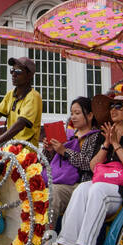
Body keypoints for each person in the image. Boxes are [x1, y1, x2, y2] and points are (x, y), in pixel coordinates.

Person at [58, 92, 123, 245]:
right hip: (103, 184)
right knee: (82, 189)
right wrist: (106, 143)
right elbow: (93, 166)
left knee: (97, 189)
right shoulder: (104, 134)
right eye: (111, 106)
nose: (113, 110)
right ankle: (67, 243)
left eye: (118, 106)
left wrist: (117, 144)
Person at [42, 97, 102, 227]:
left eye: (78, 113)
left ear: (90, 115)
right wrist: (50, 150)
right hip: (59, 179)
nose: (73, 117)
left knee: (54, 192)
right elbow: (49, 162)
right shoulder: (68, 134)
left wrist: (65, 151)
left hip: (81, 184)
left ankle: (46, 236)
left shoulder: (97, 137)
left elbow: (90, 164)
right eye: (72, 113)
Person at [0, 56, 42, 146]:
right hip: (12, 149)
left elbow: (20, 125)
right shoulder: (10, 95)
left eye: (18, 71)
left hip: (27, 152)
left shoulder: (33, 97)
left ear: (29, 75)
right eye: (12, 71)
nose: (13, 74)